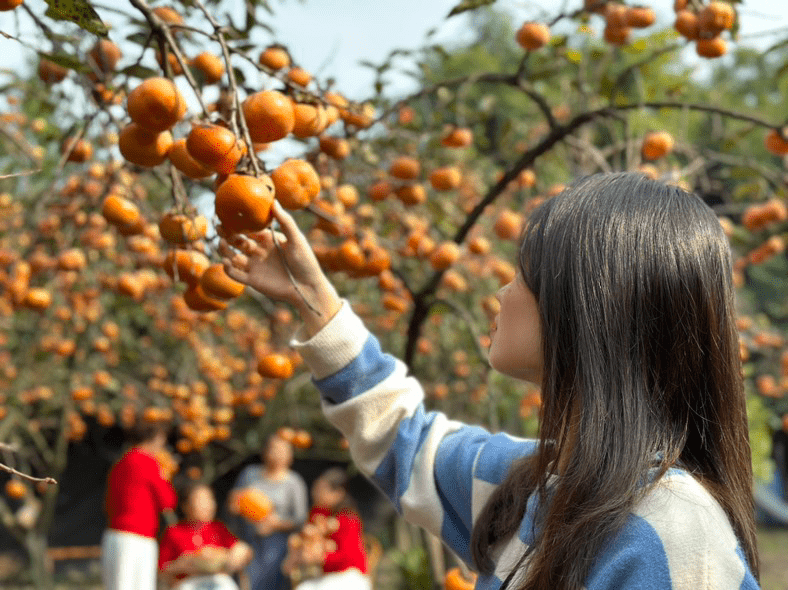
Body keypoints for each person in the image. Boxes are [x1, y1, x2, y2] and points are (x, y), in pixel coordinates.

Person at [219, 172, 760, 589]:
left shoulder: (673, 535)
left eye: (522, 274)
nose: (500, 292)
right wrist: (313, 298)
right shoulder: (529, 486)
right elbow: (403, 438)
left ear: (587, 308)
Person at [102, 422, 177, 590]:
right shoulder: (149, 463)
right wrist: (165, 475)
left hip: (115, 534)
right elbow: (168, 502)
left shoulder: (121, 462)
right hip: (138, 538)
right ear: (157, 439)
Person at [228, 434, 308, 590]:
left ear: (290, 455)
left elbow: (300, 519)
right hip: (250, 542)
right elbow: (234, 504)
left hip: (280, 547)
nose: (278, 454)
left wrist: (275, 524)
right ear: (264, 452)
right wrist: (236, 505)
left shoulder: (294, 482)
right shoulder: (249, 475)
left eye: (283, 450)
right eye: (274, 449)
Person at [158, 480, 253, 590]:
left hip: (217, 582)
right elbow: (161, 569)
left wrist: (240, 552)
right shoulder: (175, 532)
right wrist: (181, 565)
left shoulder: (218, 529)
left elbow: (243, 552)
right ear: (185, 505)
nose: (208, 505)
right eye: (201, 500)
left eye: (210, 499)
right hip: (189, 583)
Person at [288, 467, 370, 590]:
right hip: (326, 576)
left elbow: (348, 557)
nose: (315, 493)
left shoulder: (348, 519)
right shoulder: (317, 514)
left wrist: (321, 558)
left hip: (350, 575)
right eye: (315, 488)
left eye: (321, 490)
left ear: (338, 493)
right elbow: (304, 541)